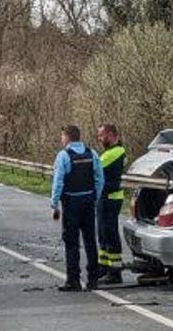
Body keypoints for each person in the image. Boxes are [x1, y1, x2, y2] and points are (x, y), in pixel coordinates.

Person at [50, 125, 104, 291]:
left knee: (71, 242)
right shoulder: (92, 153)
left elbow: (58, 182)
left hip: (71, 202)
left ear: (67, 137)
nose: (61, 140)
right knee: (90, 240)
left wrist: (54, 204)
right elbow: (99, 178)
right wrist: (95, 197)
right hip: (88, 200)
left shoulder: (64, 155)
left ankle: (73, 280)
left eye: (62, 137)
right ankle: (93, 279)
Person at [96, 123, 128, 285]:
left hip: (111, 198)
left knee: (110, 234)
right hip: (105, 197)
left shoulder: (115, 153)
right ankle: (104, 266)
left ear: (110, 135)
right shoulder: (110, 152)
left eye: (101, 136)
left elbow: (94, 168)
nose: (99, 139)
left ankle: (115, 272)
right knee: (102, 233)